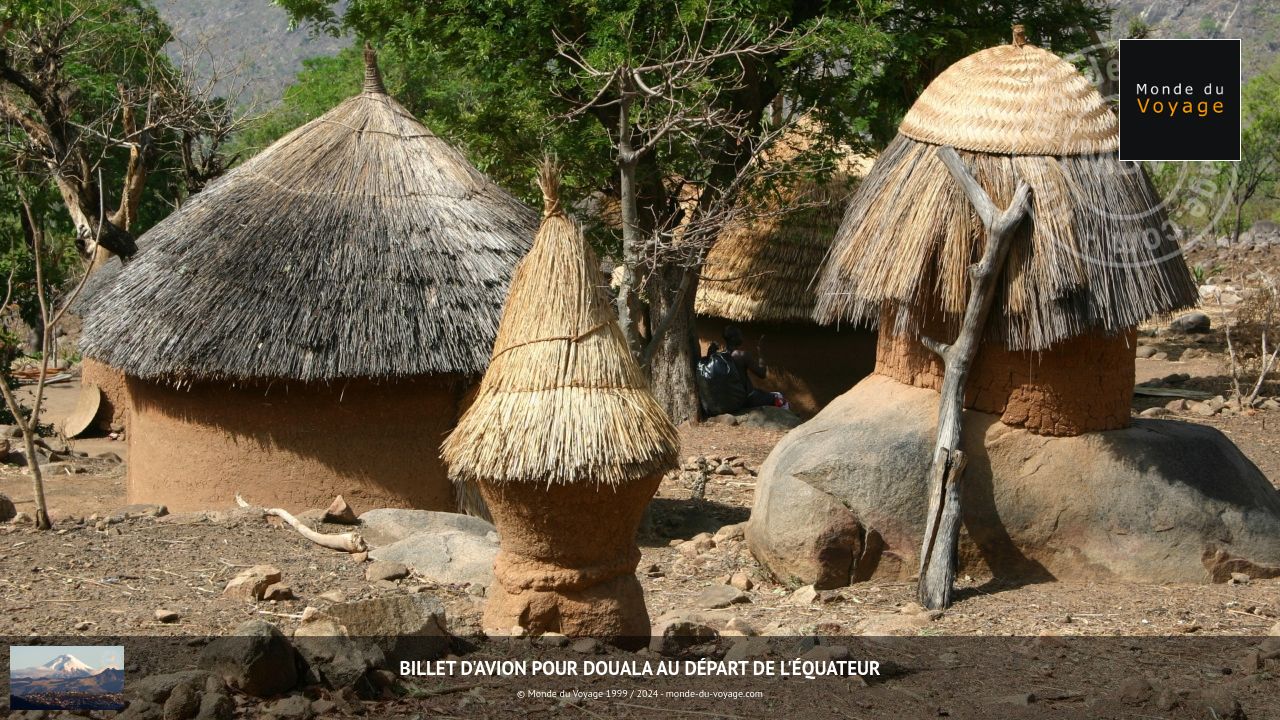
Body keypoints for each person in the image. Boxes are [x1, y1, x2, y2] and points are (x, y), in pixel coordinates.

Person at [721, 325, 786, 410]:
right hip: (747, 399)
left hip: (732, 400)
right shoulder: (742, 355)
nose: (742, 337)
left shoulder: (720, 356)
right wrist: (761, 353)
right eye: (739, 335)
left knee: (761, 392)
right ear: (733, 339)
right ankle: (790, 422)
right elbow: (762, 374)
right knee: (779, 397)